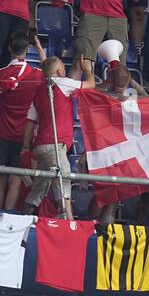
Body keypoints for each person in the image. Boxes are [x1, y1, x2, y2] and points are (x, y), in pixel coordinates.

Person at [0, 31, 46, 211]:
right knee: (15, 180)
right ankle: (9, 218)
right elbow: (50, 71)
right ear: (27, 50)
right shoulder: (36, 75)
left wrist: (0, 98)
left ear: (9, 49)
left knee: (0, 181)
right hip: (23, 138)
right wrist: (39, 48)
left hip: (0, 135)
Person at [21, 56, 94, 214]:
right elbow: (90, 85)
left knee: (39, 189)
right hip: (55, 146)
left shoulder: (38, 91)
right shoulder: (62, 82)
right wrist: (88, 71)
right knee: (64, 185)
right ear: (60, 71)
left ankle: (25, 216)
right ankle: (69, 223)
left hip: (40, 147)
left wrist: (25, 147)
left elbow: (29, 122)